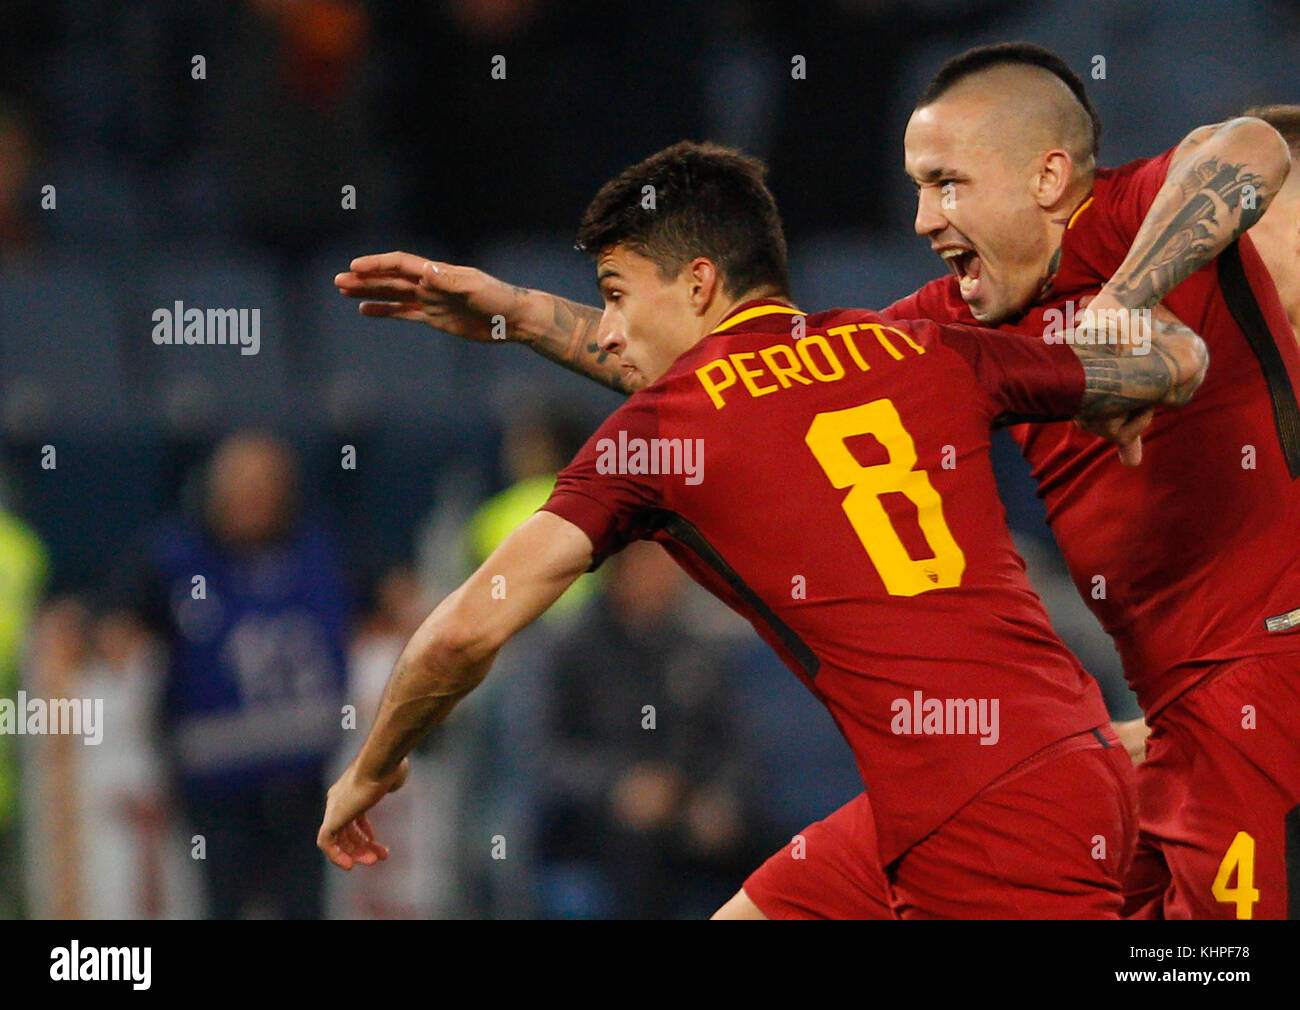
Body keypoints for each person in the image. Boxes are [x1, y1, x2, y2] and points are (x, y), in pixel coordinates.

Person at [338, 44, 1297, 922]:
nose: (923, 219)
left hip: (1245, 682)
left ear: (1048, 174)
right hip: (1074, 745)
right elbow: (756, 392)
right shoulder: (933, 336)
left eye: (946, 183)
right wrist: (515, 313)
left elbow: (1252, 144)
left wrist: (1126, 304)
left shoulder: (1133, 213)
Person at [116, 431, 351, 919]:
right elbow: (113, 626)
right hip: (212, 792)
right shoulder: (174, 559)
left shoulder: (323, 551)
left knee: (306, 907)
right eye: (239, 486)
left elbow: (393, 605)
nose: (251, 498)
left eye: (263, 484)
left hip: (304, 787)